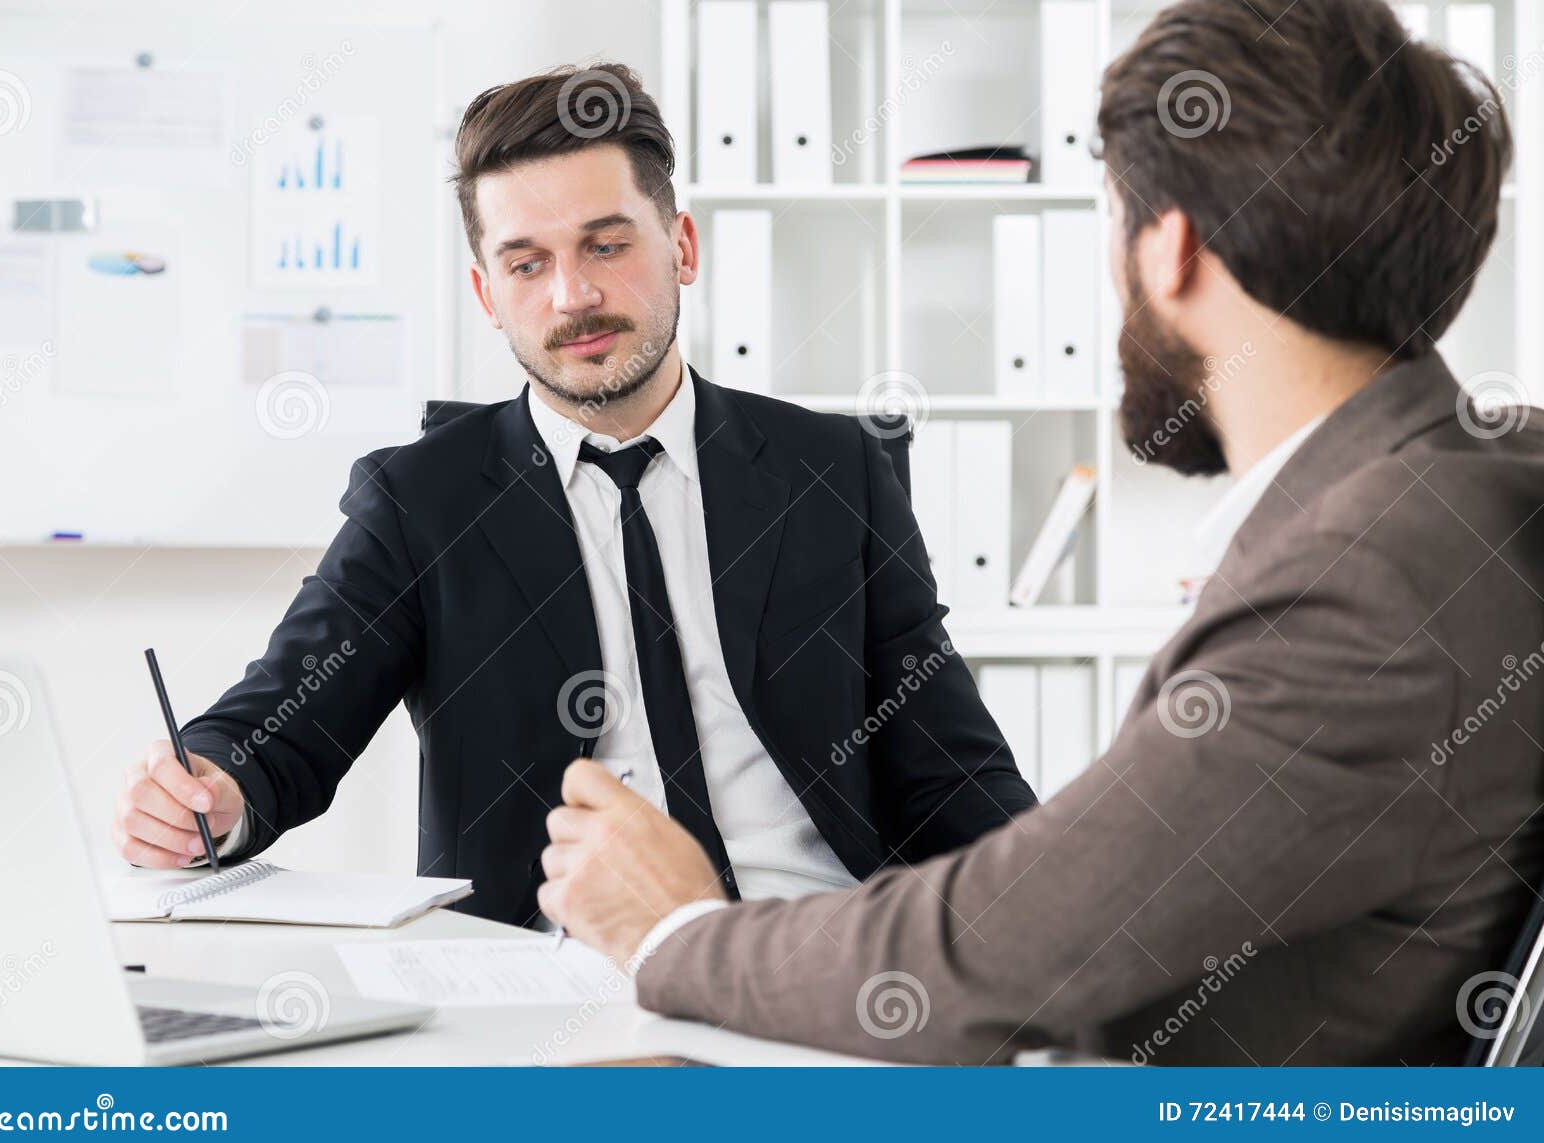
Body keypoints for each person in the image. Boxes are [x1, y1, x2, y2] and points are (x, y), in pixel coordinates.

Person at [539, 0, 1544, 1064]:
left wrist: (675, 928)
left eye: (1107, 221)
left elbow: (976, 965)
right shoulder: (1472, 482)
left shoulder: (1372, 577)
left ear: (1171, 250)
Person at [109, 63, 1037, 926]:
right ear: (487, 291)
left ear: (681, 245)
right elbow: (282, 724)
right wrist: (209, 791)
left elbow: (955, 772)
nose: (572, 295)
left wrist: (1051, 933)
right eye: (526, 262)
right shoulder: (423, 500)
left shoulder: (832, 470)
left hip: (813, 952)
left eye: (606, 244)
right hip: (551, 974)